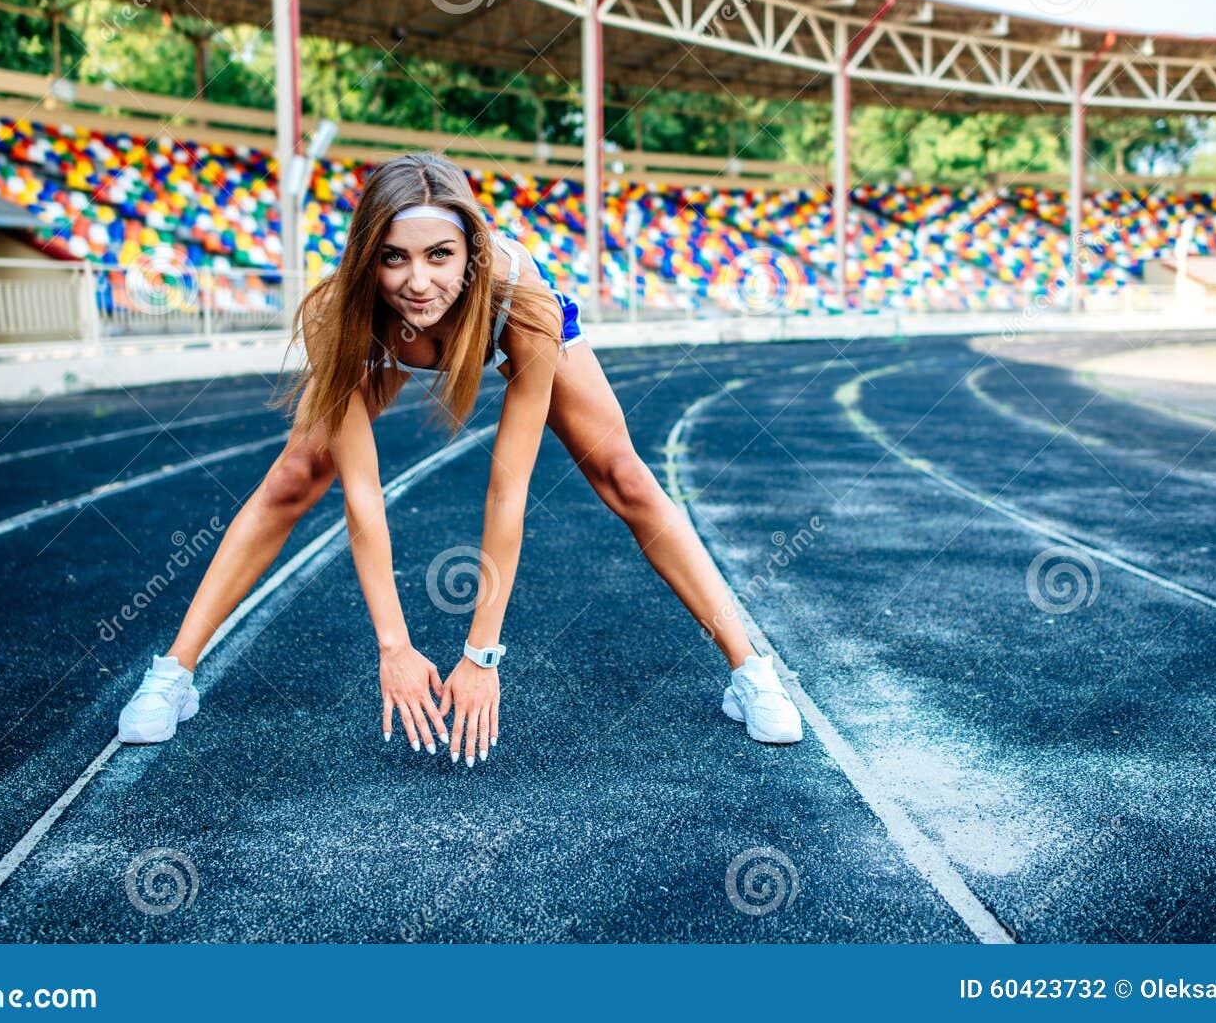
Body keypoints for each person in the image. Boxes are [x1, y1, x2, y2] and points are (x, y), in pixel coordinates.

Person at [116, 152, 802, 763]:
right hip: (383, 341)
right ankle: (173, 674)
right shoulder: (340, 314)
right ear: (368, 258)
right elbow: (363, 495)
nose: (418, 281)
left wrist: (480, 656)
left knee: (623, 475)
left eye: (439, 254)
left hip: (500, 325)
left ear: (470, 249)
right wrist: (394, 646)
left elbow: (508, 491)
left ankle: (751, 670)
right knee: (294, 477)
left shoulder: (524, 306)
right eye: (394, 257)